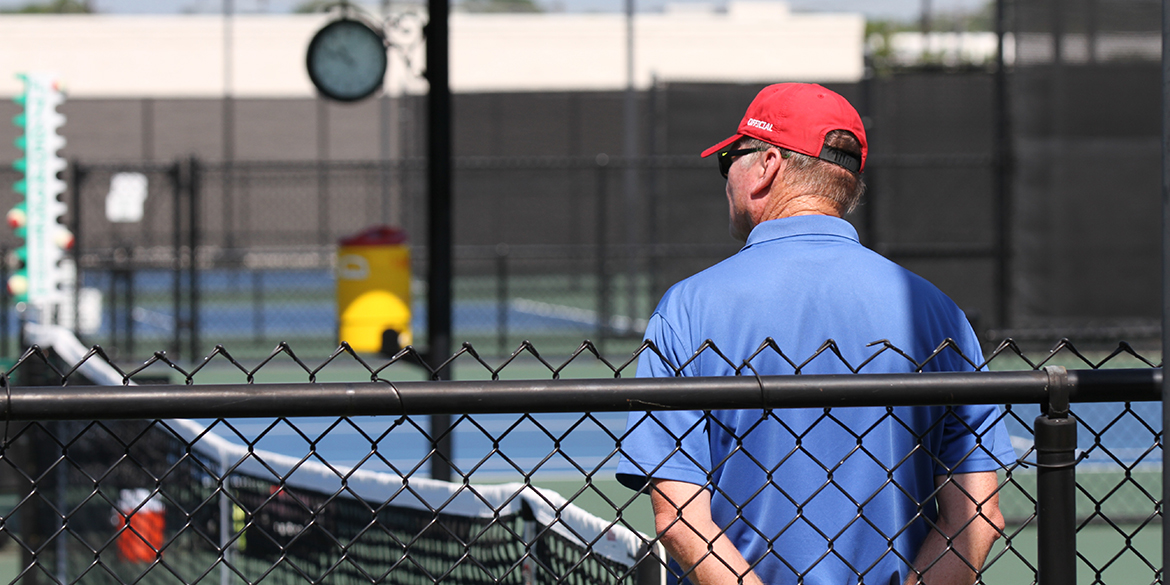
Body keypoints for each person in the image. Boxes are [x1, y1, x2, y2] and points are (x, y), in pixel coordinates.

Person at [615, 83, 1016, 585]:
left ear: (768, 165)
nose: (726, 180)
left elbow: (680, 521)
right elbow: (976, 517)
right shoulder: (940, 315)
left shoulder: (687, 310)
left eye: (730, 161)